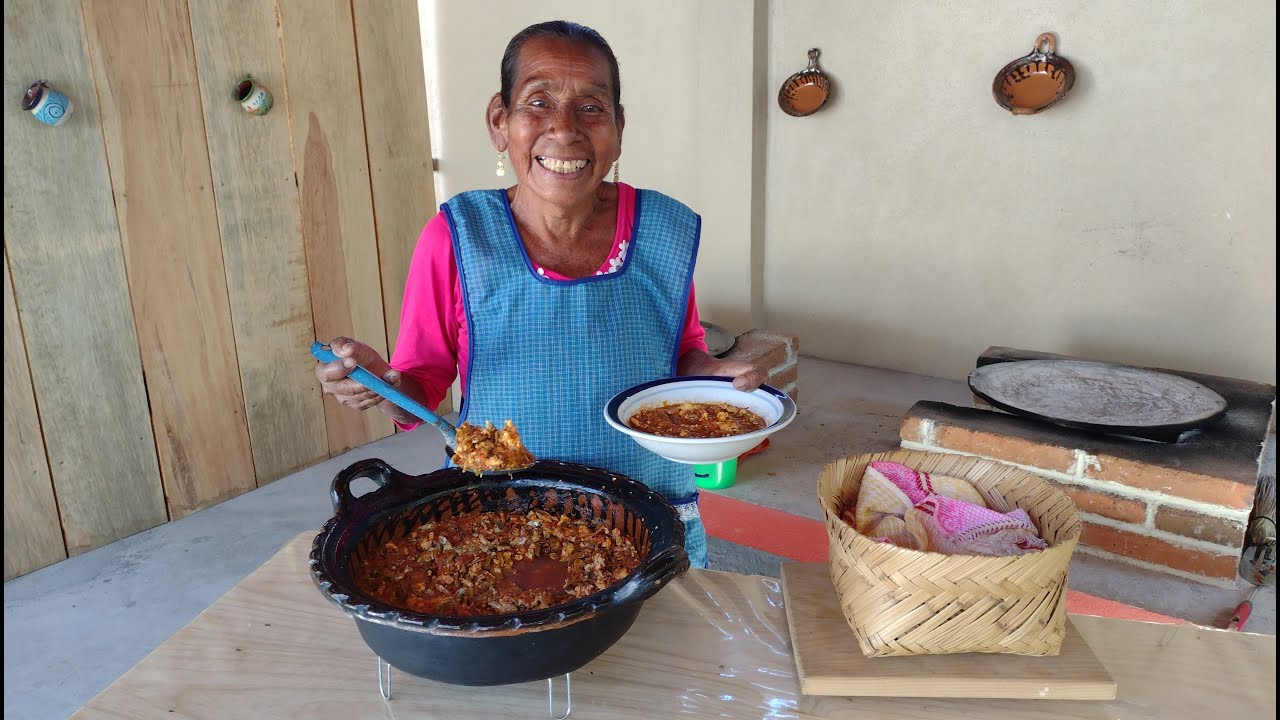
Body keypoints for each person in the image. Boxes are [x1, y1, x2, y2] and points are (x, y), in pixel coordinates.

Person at [314, 20, 764, 568]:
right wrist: (378, 385)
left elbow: (681, 348)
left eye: (592, 108)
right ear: (499, 122)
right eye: (537, 103)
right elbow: (419, 387)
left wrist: (708, 375)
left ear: (618, 128)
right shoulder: (458, 238)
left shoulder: (661, 230)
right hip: (504, 513)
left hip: (646, 509)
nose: (565, 130)